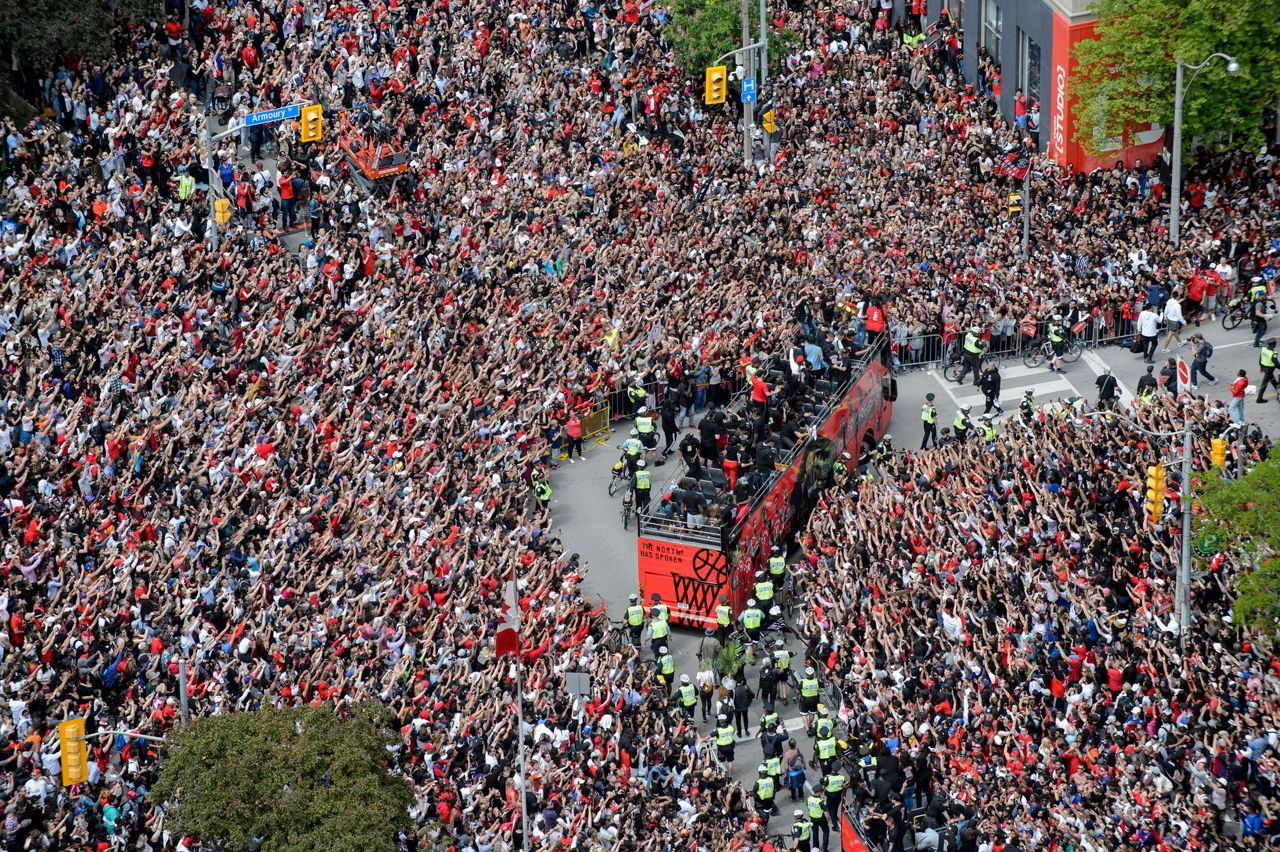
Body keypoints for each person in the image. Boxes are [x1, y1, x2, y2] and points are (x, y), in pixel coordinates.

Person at [1250, 277, 1271, 348]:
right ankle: (1256, 345)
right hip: (1258, 320)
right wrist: (1265, 316)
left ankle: (1258, 340)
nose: (1265, 296)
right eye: (1263, 295)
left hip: (1260, 319)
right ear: (1260, 296)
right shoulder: (1259, 303)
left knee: (1264, 329)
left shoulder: (1260, 300)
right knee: (1260, 332)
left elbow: (1269, 298)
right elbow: (1257, 313)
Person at [1258, 338, 1277, 403]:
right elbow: (1276, 364)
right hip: (1269, 370)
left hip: (1264, 368)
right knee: (1264, 385)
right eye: (1274, 344)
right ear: (1272, 345)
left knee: (1273, 380)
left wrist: (1261, 367)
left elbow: (1260, 358)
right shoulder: (1273, 353)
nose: (1275, 345)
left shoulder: (1264, 349)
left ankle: (1278, 389)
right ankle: (1259, 399)